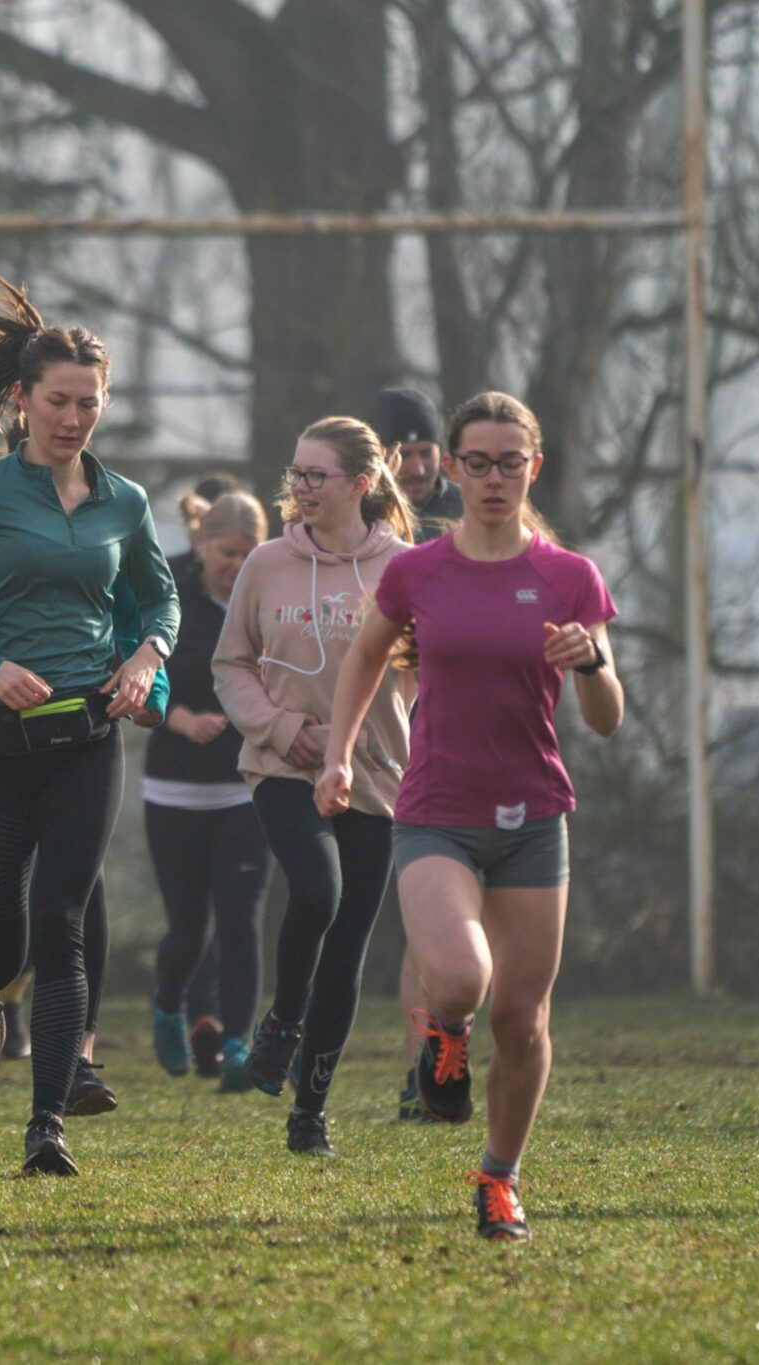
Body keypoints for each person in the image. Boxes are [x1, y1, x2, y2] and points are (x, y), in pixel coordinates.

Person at [0, 275, 177, 1178]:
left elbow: (158, 599)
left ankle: (47, 1121)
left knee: (62, 921)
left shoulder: (124, 502)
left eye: (89, 403)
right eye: (58, 401)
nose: (73, 419)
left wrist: (147, 660)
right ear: (23, 398)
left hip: (86, 736)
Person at [319, 390, 622, 1242]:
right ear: (450, 467)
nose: (494, 478)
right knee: (458, 978)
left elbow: (606, 717)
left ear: (534, 466)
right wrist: (340, 755)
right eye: (478, 463)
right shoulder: (418, 571)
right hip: (435, 812)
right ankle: (443, 1036)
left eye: (510, 462)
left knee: (522, 1021)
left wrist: (592, 663)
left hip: (535, 817)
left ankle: (499, 1177)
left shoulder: (569, 577)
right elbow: (364, 659)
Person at [212, 416, 417, 1158]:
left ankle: (311, 1109)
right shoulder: (266, 563)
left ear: (360, 484)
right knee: (317, 891)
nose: (298, 487)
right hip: (284, 764)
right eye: (294, 472)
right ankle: (283, 1021)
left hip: (377, 776)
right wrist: (276, 726)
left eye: (314, 475)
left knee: (348, 944)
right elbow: (231, 664)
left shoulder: (406, 569)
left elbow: (435, 670)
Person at [147, 490, 269, 1091]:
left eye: (248, 553)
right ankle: (169, 1003)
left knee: (241, 922)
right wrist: (180, 719)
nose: (237, 565)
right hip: (174, 788)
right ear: (203, 547)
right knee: (189, 931)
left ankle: (239, 1044)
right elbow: (141, 679)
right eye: (227, 553)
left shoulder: (268, 605)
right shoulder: (172, 601)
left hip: (247, 788)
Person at [371, 384, 458, 1119]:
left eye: (427, 451)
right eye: (403, 453)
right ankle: (416, 1071)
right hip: (394, 736)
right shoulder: (363, 523)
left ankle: (447, 1057)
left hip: (470, 727)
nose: (418, 466)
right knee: (419, 917)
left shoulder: (474, 517)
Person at [375, 387, 461, 536]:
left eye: (426, 453)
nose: (418, 470)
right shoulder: (359, 514)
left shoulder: (470, 508)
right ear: (379, 456)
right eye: (403, 455)